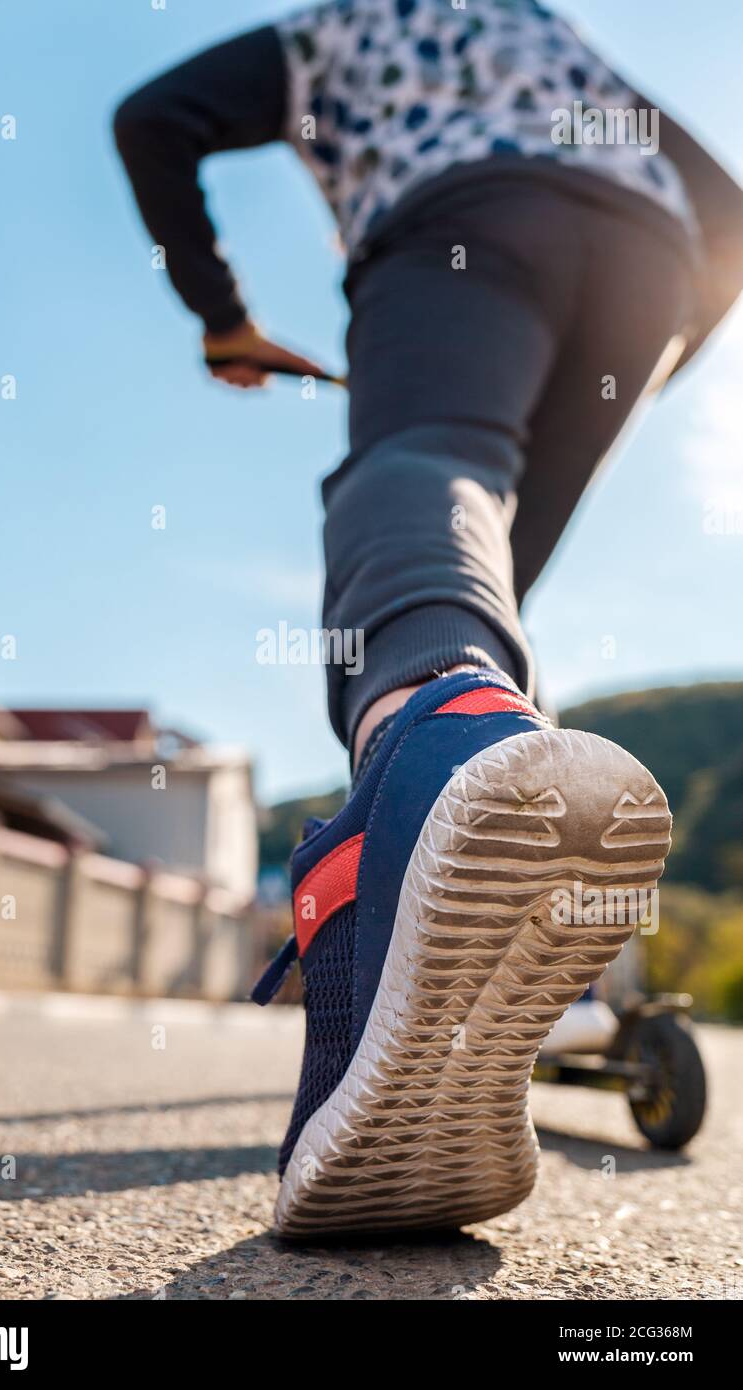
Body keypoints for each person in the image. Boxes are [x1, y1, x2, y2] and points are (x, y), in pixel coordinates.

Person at [113, 0, 743, 1237]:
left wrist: (219, 312)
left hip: (454, 230)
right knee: (479, 591)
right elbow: (724, 203)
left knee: (414, 474)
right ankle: (521, 902)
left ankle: (419, 767)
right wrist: (649, 359)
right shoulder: (546, 33)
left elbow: (152, 121)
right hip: (642, 265)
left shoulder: (341, 29)